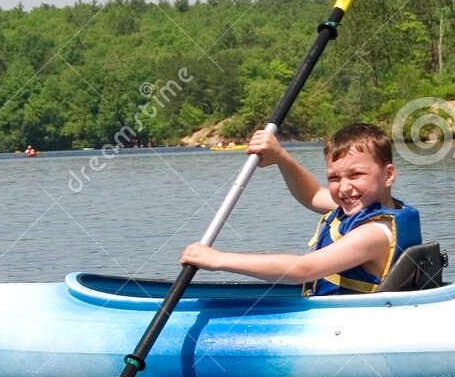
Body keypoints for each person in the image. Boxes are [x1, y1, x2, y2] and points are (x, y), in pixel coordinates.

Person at [180, 122, 420, 295]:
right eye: (334, 178)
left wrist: (218, 259)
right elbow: (313, 195)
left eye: (356, 175)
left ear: (388, 175)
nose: (345, 188)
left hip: (349, 324)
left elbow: (304, 269)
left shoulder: (374, 233)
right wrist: (281, 157)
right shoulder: (359, 205)